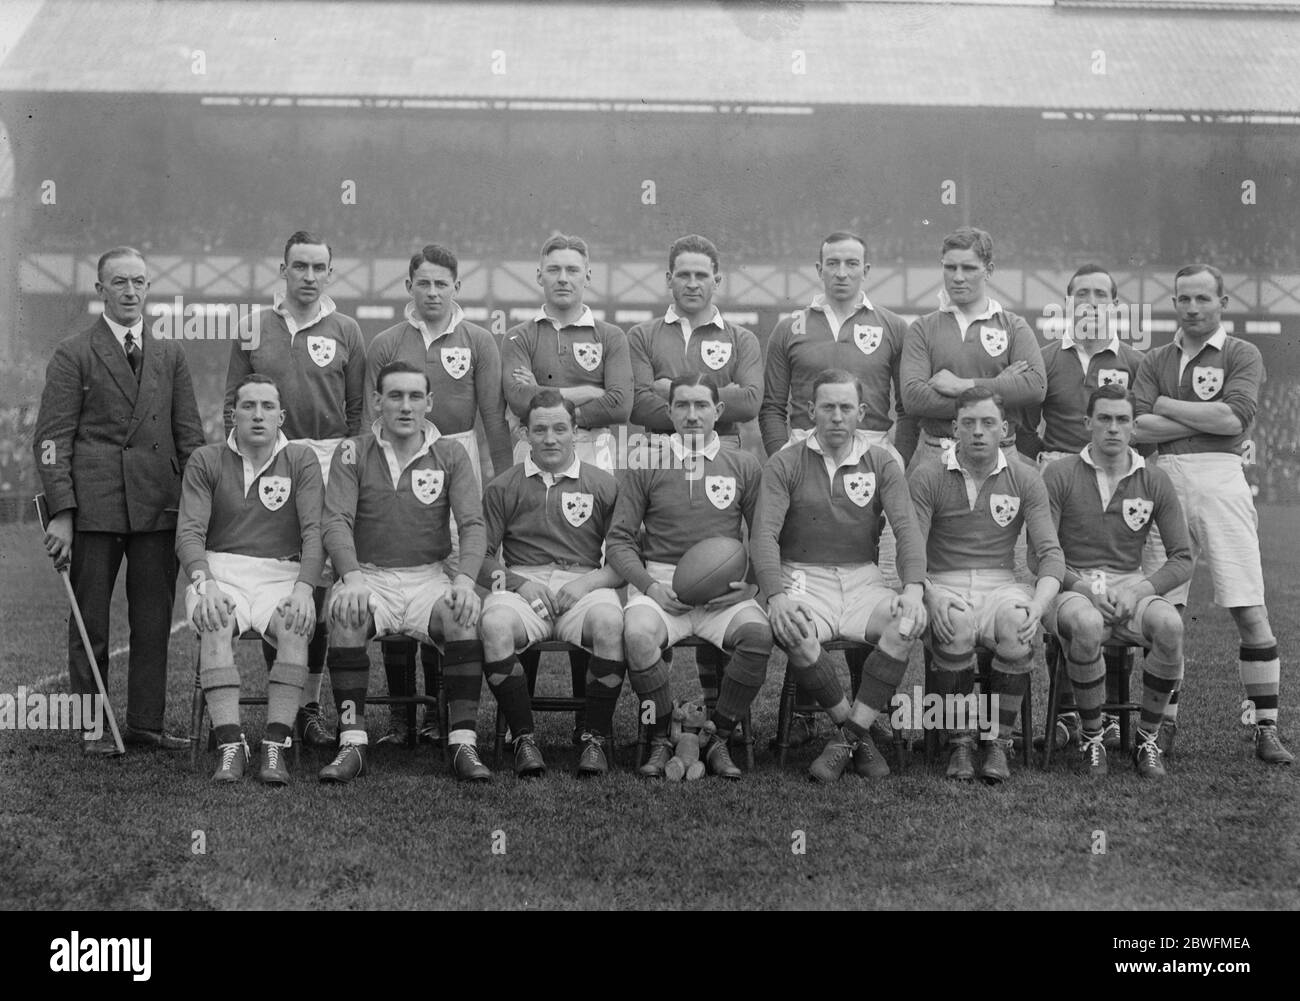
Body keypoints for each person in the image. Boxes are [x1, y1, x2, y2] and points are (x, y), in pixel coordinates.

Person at [35, 246, 205, 756]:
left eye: (139, 282)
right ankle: (95, 726)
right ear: (100, 290)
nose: (131, 291)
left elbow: (190, 436)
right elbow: (52, 438)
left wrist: (199, 507)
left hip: (158, 506)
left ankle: (146, 726)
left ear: (149, 289)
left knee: (153, 623)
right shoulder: (74, 353)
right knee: (91, 622)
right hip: (95, 509)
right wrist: (63, 514)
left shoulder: (171, 354)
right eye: (120, 282)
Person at [1133, 264, 1292, 764]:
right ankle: (1162, 728)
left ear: (1222, 300)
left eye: (1203, 298)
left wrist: (1166, 405)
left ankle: (1264, 728)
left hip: (1223, 480)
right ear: (1174, 302)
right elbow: (1138, 426)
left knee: (1249, 607)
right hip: (1163, 480)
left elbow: (1233, 418)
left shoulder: (1242, 353)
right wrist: (1195, 416)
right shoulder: (1156, 357)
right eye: (1184, 299)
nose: (1193, 308)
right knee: (1165, 611)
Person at [758, 230, 913, 743]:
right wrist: (790, 455)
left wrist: (893, 458)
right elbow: (772, 404)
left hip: (870, 454)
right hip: (810, 448)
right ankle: (810, 709)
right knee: (804, 561)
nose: (842, 272)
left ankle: (867, 706)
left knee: (870, 575)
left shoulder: (892, 325)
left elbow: (907, 404)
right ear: (818, 268)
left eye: (852, 263)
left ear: (867, 270)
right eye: (832, 263)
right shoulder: (791, 326)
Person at [224, 230, 368, 748]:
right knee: (281, 575)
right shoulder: (251, 328)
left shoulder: (348, 329)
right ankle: (292, 700)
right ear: (282, 269)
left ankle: (308, 702)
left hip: (329, 460)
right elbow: (232, 402)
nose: (309, 276)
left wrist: (350, 466)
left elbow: (358, 412)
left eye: (318, 268)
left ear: (330, 273)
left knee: (321, 581)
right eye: (299, 266)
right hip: (271, 460)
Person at [366, 243, 513, 747]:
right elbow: (370, 419)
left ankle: (440, 715)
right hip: (398, 465)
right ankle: (401, 717)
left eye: (441, 283)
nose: (432, 292)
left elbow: (494, 418)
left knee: (448, 581)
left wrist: (504, 486)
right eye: (423, 283)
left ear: (457, 288)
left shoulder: (479, 340)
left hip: (458, 458)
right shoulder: (387, 341)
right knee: (396, 571)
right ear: (408, 286)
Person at [751, 369, 928, 783]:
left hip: (863, 577)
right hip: (803, 577)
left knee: (905, 623)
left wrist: (915, 590)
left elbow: (907, 530)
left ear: (861, 412)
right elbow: (764, 536)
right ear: (811, 410)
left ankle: (846, 737)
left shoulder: (882, 461)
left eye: (845, 407)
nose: (836, 416)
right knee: (795, 629)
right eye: (827, 407)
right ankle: (858, 737)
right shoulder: (785, 462)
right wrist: (776, 597)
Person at [319, 362, 488, 783]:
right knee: (344, 615)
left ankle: (462, 742)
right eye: (395, 396)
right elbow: (336, 520)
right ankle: (352, 742)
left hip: (428, 576)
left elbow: (472, 524)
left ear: (430, 402)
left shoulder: (451, 453)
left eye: (415, 397)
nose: (406, 406)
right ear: (378, 401)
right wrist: (351, 577)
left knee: (462, 614)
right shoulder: (352, 451)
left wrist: (465, 580)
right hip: (370, 576)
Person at [607, 374, 772, 781]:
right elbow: (619, 540)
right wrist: (650, 587)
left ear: (718, 411)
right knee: (638, 634)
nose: (692, 415)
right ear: (669, 412)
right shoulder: (646, 462)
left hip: (723, 593)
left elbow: (766, 537)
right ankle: (665, 734)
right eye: (682, 405)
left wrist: (751, 585)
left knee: (758, 636)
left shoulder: (745, 465)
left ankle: (718, 735)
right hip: (663, 585)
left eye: (702, 406)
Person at [1019, 263, 1147, 749]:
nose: (1091, 302)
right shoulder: (1048, 358)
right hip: (1062, 481)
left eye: (1101, 295)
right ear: (1068, 302)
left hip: (1117, 482)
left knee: (1114, 581)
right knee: (1065, 585)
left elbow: (1141, 422)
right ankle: (1067, 712)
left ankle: (1111, 711)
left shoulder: (1135, 359)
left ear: (1115, 305)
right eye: (1081, 294)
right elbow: (1027, 421)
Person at [908, 387, 1064, 783]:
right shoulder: (927, 475)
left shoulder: (1026, 478)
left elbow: (1050, 554)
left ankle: (997, 741)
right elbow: (911, 551)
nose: (978, 432)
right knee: (955, 627)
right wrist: (930, 593)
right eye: (969, 424)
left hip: (1000, 583)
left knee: (1017, 623)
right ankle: (960, 741)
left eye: (988, 423)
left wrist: (1039, 603)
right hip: (943, 583)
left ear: (1005, 429)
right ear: (954, 428)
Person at [176, 374, 324, 783]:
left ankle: (276, 744)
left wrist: (304, 589)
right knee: (216, 621)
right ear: (232, 415)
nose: (258, 415)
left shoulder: (302, 459)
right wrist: (205, 585)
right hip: (221, 571)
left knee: (294, 623)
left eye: (267, 407)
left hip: (283, 572)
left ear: (281, 416)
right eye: (248, 406)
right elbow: (189, 532)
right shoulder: (206, 460)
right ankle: (230, 743)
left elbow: (315, 531)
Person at [1041, 384, 1191, 777]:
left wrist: (1139, 589)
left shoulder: (1154, 479)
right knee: (1088, 623)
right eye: (1104, 419)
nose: (1112, 428)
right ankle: (1093, 739)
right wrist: (1086, 589)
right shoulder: (1058, 473)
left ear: (1133, 427)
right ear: (1087, 422)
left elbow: (1183, 558)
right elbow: (1040, 553)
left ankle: (1148, 738)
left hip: (1130, 585)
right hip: (1071, 587)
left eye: (1122, 419)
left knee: (1172, 625)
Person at [477, 389, 625, 777]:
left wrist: (589, 582)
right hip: (524, 584)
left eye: (560, 428)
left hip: (584, 584)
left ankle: (593, 739)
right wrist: (519, 583)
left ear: (575, 431)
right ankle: (523, 739)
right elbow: (480, 557)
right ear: (524, 433)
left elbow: (627, 558)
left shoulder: (604, 484)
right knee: (493, 625)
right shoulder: (502, 487)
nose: (550, 438)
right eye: (540, 429)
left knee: (611, 624)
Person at [900, 227, 1045, 473]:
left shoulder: (1014, 326)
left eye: (968, 268)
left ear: (988, 271)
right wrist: (997, 391)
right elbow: (914, 398)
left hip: (1001, 452)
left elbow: (1035, 386)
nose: (957, 277)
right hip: (937, 452)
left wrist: (965, 385)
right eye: (950, 267)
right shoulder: (922, 328)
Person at [501, 234, 631, 472]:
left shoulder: (611, 336)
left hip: (593, 448)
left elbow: (620, 406)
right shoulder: (517, 336)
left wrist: (540, 395)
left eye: (572, 270)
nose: (562, 279)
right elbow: (520, 399)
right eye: (553, 270)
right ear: (539, 276)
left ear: (588, 276)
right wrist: (586, 393)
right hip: (533, 448)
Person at [628, 234, 761, 451]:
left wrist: (670, 390)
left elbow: (749, 403)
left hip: (722, 454)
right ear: (669, 279)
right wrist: (719, 397)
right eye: (683, 275)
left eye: (701, 276)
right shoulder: (641, 335)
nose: (692, 284)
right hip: (661, 455)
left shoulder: (742, 339)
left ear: (716, 281)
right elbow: (639, 407)